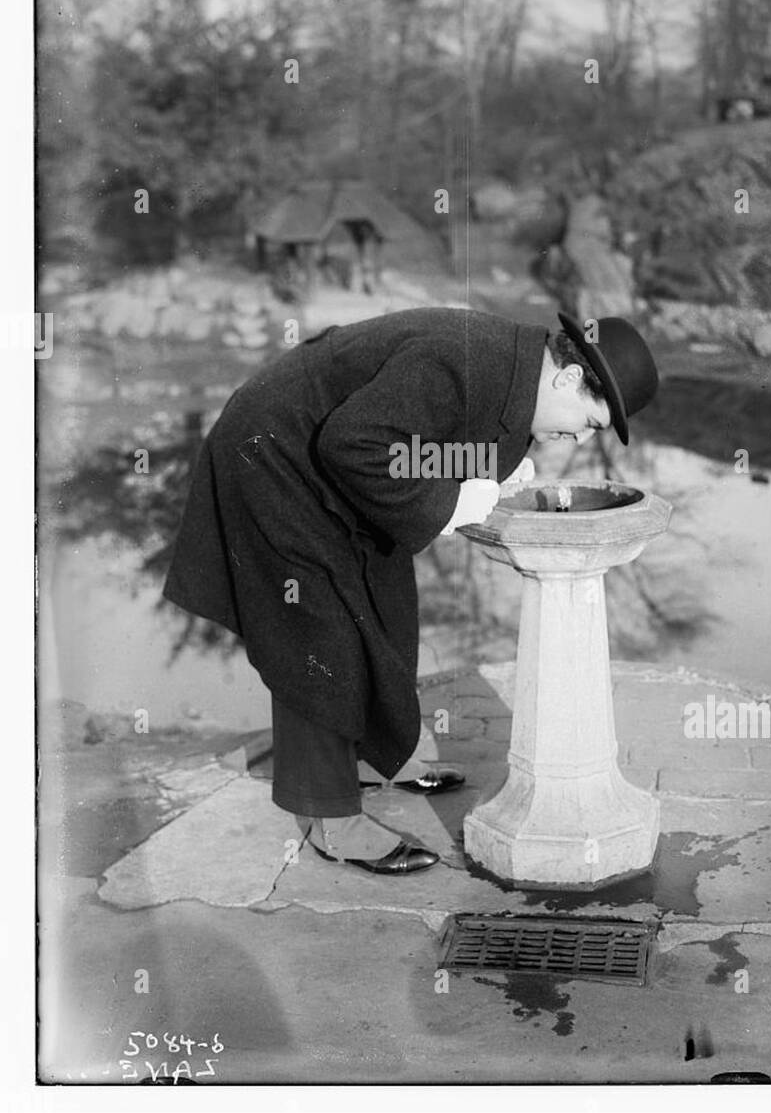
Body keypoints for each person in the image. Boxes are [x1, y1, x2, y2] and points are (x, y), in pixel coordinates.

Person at [163, 307, 659, 874]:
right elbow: (354, 444)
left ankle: (377, 755)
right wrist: (450, 500)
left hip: (326, 458)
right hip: (273, 456)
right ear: (568, 379)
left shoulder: (514, 369)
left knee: (386, 599)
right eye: (589, 422)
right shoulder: (461, 363)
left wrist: (479, 475)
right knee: (320, 635)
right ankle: (332, 818)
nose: (575, 438)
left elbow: (422, 436)